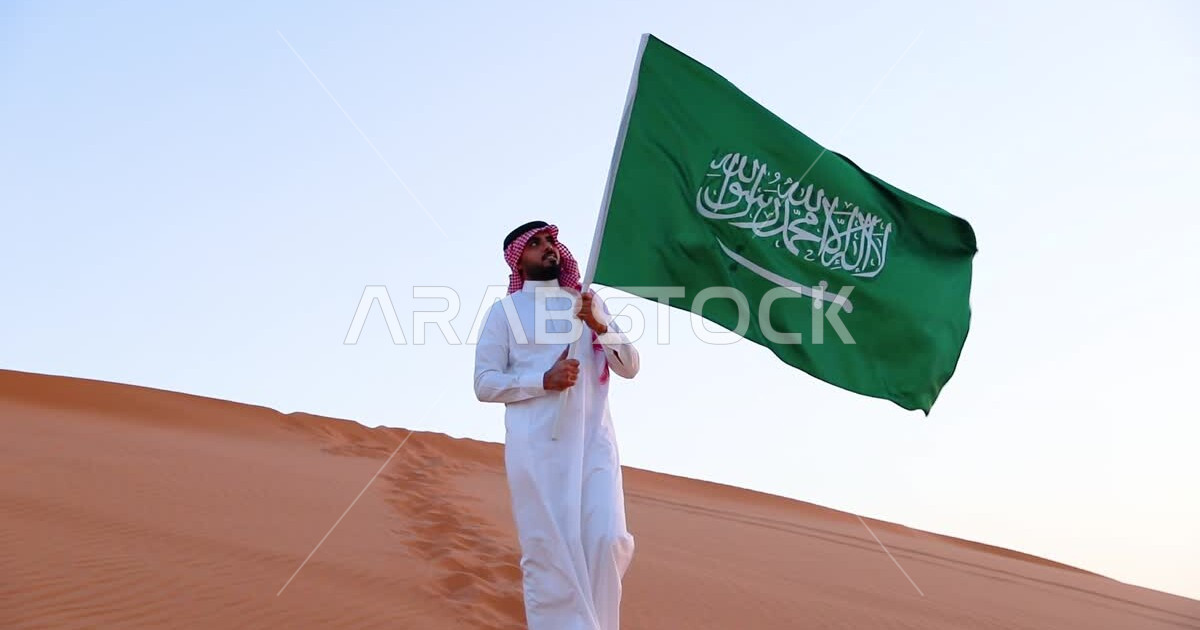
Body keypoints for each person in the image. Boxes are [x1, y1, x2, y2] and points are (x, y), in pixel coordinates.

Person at [473, 220, 640, 630]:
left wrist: (601, 326)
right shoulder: (505, 312)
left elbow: (630, 367)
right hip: (538, 448)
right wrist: (541, 381)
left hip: (595, 443)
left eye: (551, 240)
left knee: (608, 541)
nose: (548, 247)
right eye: (536, 244)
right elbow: (484, 383)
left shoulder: (586, 302)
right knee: (552, 554)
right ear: (518, 262)